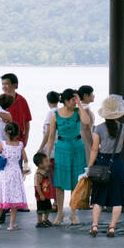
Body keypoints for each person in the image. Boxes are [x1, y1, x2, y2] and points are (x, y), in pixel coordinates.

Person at [87, 95, 124, 236]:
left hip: (102, 164)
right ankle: (111, 227)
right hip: (116, 164)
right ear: (118, 114)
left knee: (98, 198)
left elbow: (94, 149)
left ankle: (95, 226)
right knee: (117, 198)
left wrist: (90, 167)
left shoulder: (98, 128)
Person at [47, 89, 88, 225]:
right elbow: (51, 136)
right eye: (72, 100)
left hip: (77, 146)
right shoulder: (55, 114)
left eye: (75, 100)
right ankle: (60, 213)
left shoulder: (77, 112)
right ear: (65, 100)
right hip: (62, 147)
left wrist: (80, 104)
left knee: (76, 182)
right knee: (60, 182)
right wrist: (47, 155)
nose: (74, 102)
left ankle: (73, 213)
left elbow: (86, 121)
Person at [0, 121, 29, 230]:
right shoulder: (20, 145)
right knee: (14, 200)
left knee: (1, 199)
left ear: (6, 133)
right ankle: (11, 225)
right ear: (17, 134)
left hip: (5, 173)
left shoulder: (3, 144)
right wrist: (25, 170)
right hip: (16, 173)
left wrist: (1, 159)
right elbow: (25, 159)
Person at [0, 73, 32, 148]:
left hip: (18, 141)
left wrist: (25, 141)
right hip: (1, 143)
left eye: (6, 84)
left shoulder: (22, 101)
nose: (4, 87)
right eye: (2, 84)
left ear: (15, 85)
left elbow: (27, 122)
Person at [33, 152, 53, 228]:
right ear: (40, 165)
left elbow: (49, 169)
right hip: (41, 194)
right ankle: (39, 221)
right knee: (41, 208)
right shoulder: (38, 174)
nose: (48, 162)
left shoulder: (45, 170)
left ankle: (46, 219)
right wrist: (40, 194)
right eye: (46, 161)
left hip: (46, 193)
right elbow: (37, 185)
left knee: (48, 207)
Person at [77, 85, 96, 154]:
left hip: (79, 137)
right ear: (85, 95)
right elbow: (86, 128)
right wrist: (93, 144)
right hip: (85, 138)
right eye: (92, 94)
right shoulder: (84, 109)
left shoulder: (80, 107)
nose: (94, 96)